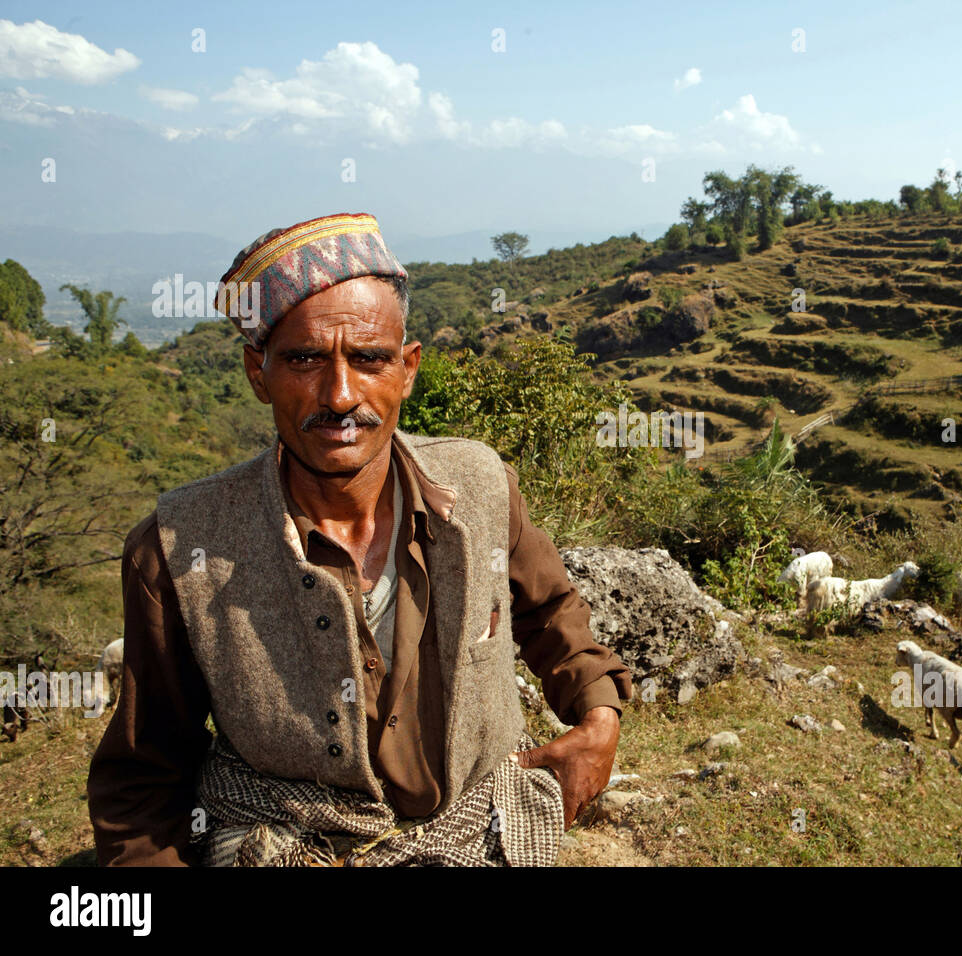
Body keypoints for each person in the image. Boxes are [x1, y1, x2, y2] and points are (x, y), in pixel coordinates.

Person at [87, 212, 633, 866]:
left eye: (369, 359)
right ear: (258, 373)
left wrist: (599, 717)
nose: (341, 395)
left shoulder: (481, 485)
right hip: (283, 846)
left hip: (479, 837)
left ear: (407, 369)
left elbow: (548, 611)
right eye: (305, 359)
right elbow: (145, 776)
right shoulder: (178, 550)